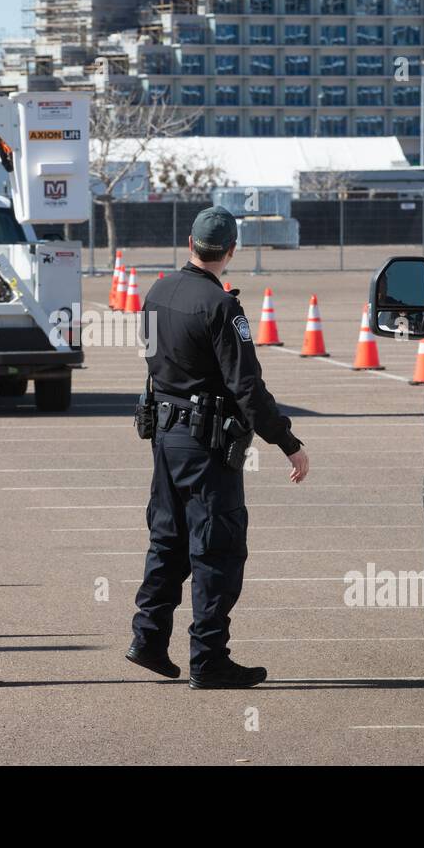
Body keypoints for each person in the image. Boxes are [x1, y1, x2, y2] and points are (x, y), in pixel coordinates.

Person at [128, 206, 310, 690]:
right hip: (206, 446)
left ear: (190, 242)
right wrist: (287, 442)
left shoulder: (156, 292)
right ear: (231, 251)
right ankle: (208, 660)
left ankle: (147, 638)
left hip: (165, 438)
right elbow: (248, 388)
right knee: (217, 550)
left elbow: (149, 356)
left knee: (168, 540)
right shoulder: (223, 307)